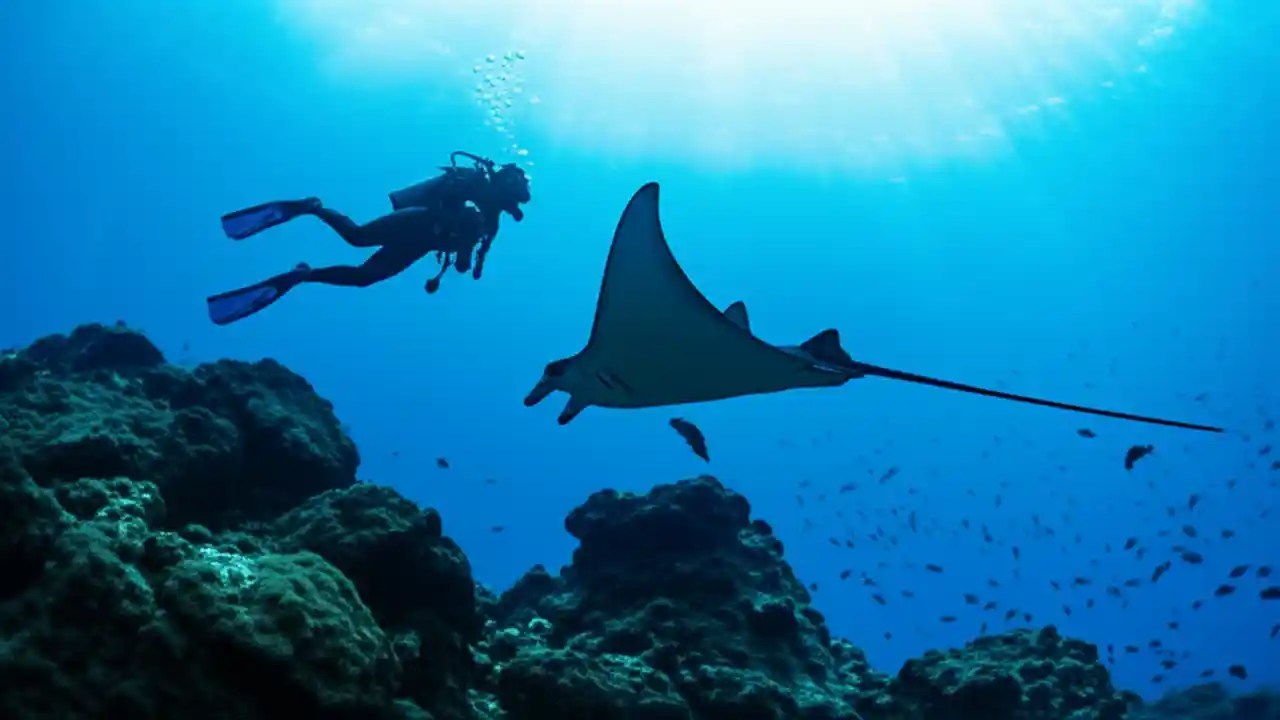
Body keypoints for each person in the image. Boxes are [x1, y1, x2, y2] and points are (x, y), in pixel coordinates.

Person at [206, 151, 531, 326]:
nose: (518, 197)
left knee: (364, 276)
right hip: (418, 221)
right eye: (517, 188)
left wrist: (469, 256)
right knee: (357, 237)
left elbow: (470, 261)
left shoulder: (491, 221)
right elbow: (464, 254)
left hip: (419, 243)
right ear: (507, 185)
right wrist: (465, 248)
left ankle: (305, 274)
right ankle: (312, 208)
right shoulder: (476, 193)